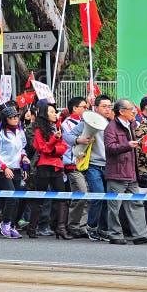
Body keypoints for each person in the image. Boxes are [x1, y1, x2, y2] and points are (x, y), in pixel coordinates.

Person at [65, 94, 114, 241]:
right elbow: (67, 136)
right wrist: (78, 139)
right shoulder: (87, 122)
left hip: (109, 166)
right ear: (96, 107)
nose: (107, 109)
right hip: (93, 165)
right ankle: (91, 227)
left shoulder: (112, 123)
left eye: (109, 106)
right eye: (104, 106)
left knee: (107, 198)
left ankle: (103, 229)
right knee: (98, 195)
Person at [104, 99, 147, 245]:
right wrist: (127, 145)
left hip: (131, 171)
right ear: (122, 111)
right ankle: (115, 235)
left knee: (136, 203)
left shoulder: (131, 124)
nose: (134, 111)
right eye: (131, 109)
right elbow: (110, 148)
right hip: (117, 172)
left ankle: (139, 234)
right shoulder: (111, 127)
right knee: (114, 206)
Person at [28, 103, 71, 240]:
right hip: (44, 166)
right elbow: (42, 148)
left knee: (62, 199)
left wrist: (54, 147)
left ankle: (61, 228)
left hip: (56, 165)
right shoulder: (38, 130)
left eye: (55, 111)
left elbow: (63, 147)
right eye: (51, 112)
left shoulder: (56, 128)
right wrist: (54, 142)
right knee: (40, 198)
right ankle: (32, 227)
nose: (54, 114)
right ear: (44, 114)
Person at [0, 105, 26, 239]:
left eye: (16, 116)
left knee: (19, 199)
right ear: (6, 119)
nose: (15, 119)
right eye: (12, 117)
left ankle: (11, 224)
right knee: (12, 198)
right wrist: (4, 167)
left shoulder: (20, 132)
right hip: (3, 170)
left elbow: (22, 149)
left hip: (17, 169)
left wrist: (24, 160)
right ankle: (4, 223)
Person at [61, 96, 90, 239]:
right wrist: (79, 139)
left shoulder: (85, 122)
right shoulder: (67, 124)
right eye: (84, 107)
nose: (86, 109)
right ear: (75, 108)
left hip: (86, 164)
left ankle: (82, 226)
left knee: (88, 196)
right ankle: (73, 225)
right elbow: (67, 140)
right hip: (72, 164)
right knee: (81, 194)